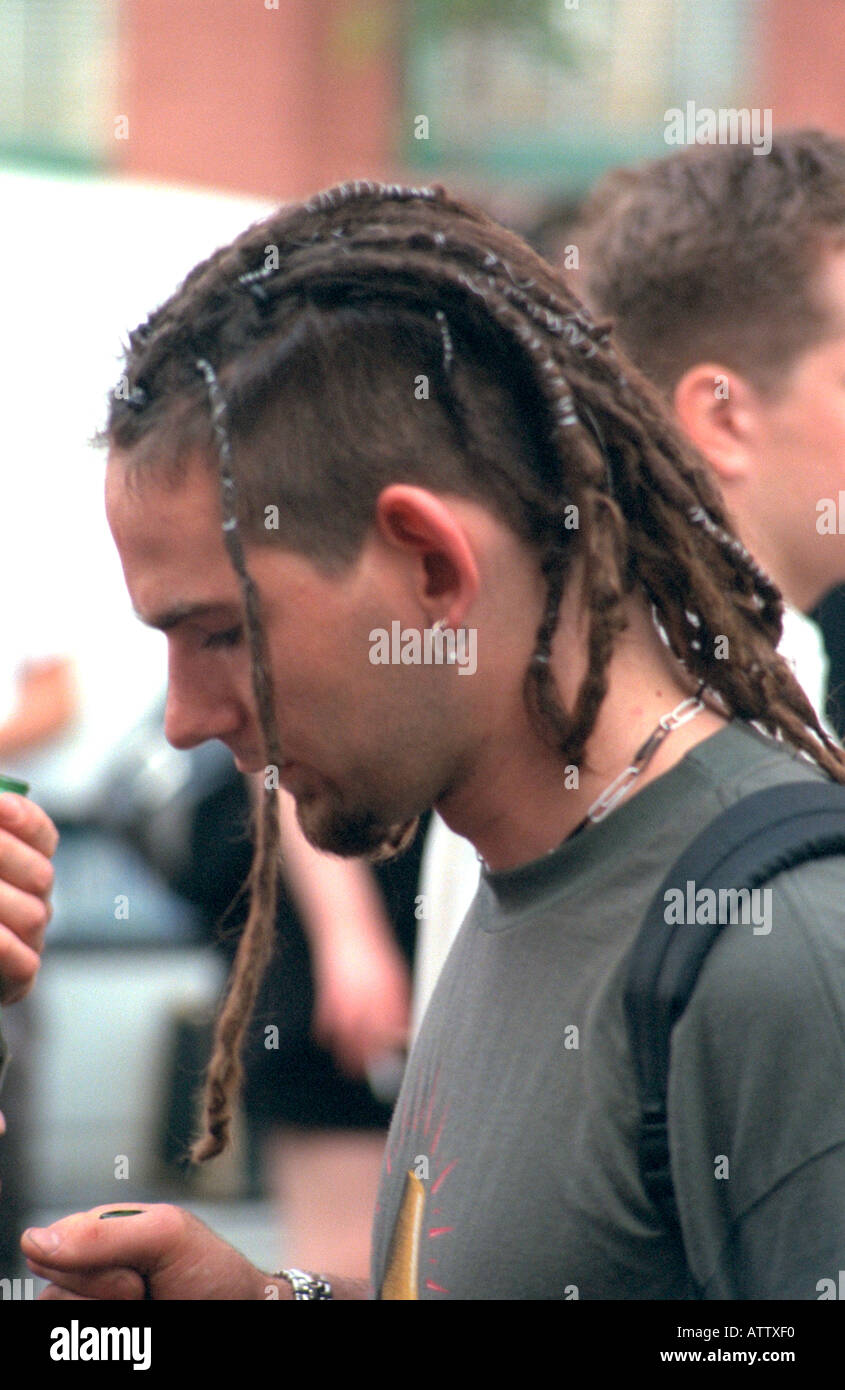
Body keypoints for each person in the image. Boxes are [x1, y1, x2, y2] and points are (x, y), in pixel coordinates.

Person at [19, 179, 845, 1300]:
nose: (185, 717)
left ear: (430, 567)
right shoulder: (522, 875)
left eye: (220, 633)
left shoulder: (778, 946)